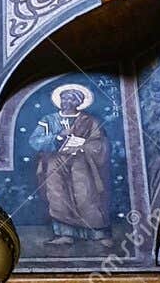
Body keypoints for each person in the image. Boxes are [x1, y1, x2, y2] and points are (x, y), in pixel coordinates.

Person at [30, 85, 112, 244]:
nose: (66, 101)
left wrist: (83, 146)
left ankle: (99, 234)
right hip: (55, 162)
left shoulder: (89, 121)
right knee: (58, 196)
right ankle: (65, 234)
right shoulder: (49, 120)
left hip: (81, 163)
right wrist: (59, 136)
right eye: (64, 98)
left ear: (79, 102)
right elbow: (35, 141)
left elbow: (100, 144)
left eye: (71, 98)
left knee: (86, 195)